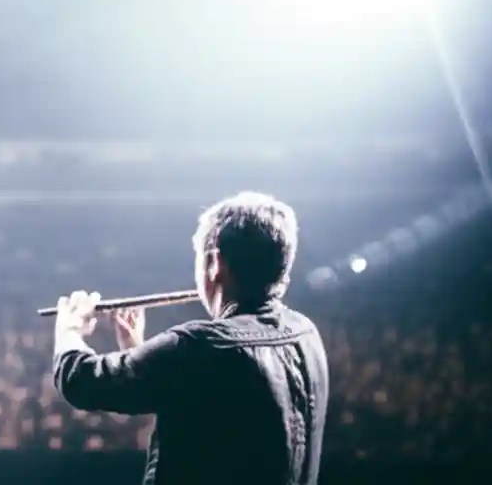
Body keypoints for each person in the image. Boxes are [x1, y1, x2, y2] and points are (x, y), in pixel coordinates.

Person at [53, 192, 328, 484]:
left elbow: (81, 381)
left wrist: (69, 331)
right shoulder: (306, 334)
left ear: (214, 263)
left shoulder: (198, 346)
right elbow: (207, 408)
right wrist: (138, 351)